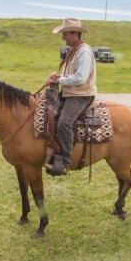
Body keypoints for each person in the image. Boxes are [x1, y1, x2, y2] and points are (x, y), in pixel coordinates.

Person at [44, 18, 97, 176]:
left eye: (65, 34)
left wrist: (59, 80)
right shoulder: (73, 50)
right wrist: (58, 76)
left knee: (64, 123)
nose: (63, 37)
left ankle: (65, 163)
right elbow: (70, 73)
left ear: (75, 34)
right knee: (48, 113)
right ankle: (55, 154)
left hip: (81, 95)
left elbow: (80, 78)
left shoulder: (85, 52)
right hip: (70, 93)